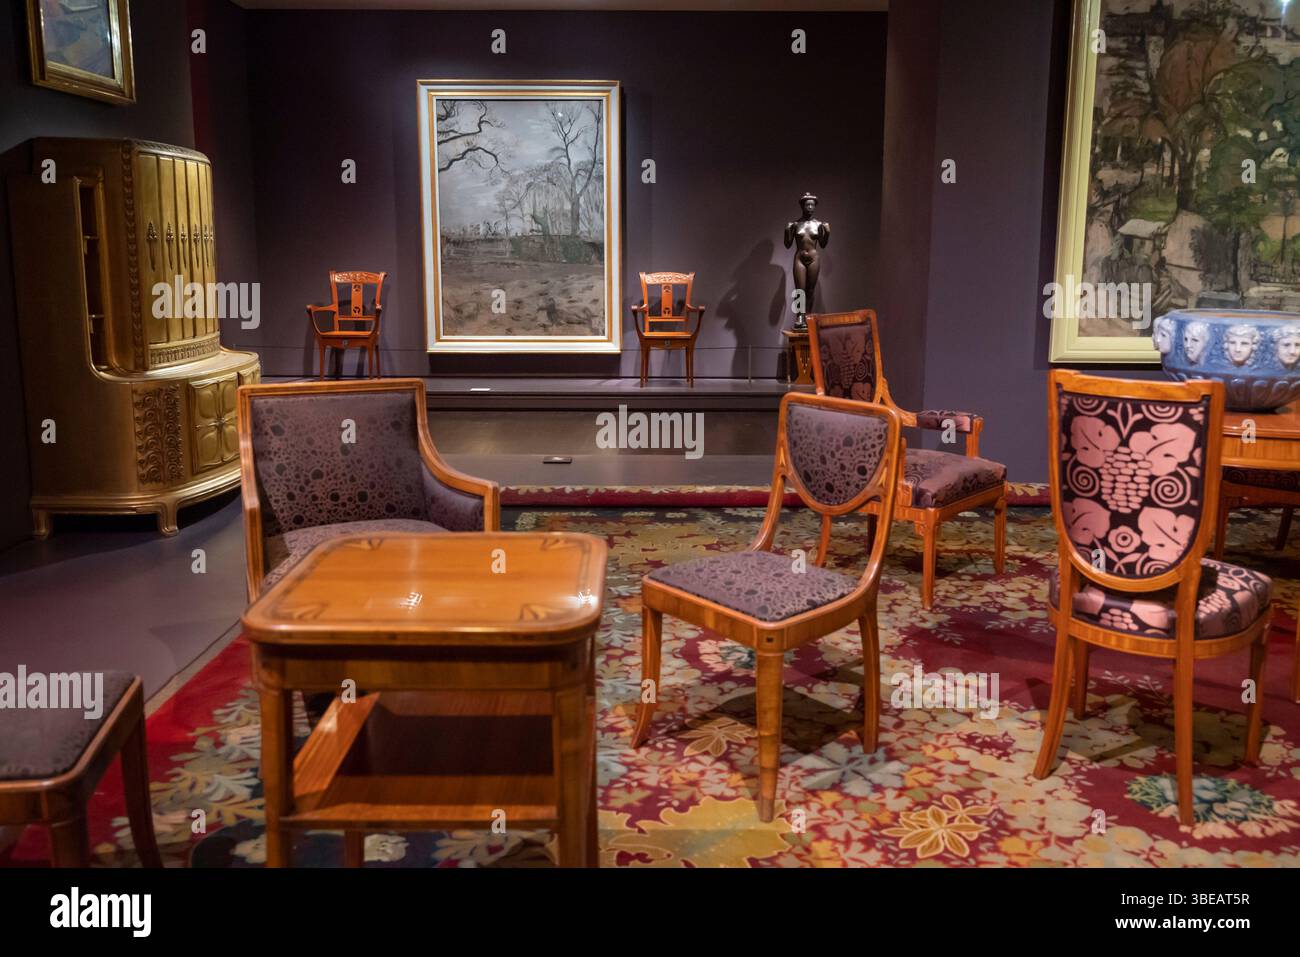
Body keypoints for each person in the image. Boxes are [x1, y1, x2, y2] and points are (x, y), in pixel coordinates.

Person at [784, 192, 830, 329]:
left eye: (812, 205)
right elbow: (787, 244)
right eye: (807, 204)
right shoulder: (795, 224)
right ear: (802, 206)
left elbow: (822, 244)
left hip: (814, 257)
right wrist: (787, 231)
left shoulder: (819, 224)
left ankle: (807, 317)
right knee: (800, 290)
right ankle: (799, 316)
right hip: (800, 258)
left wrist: (827, 233)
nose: (810, 207)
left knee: (810, 290)